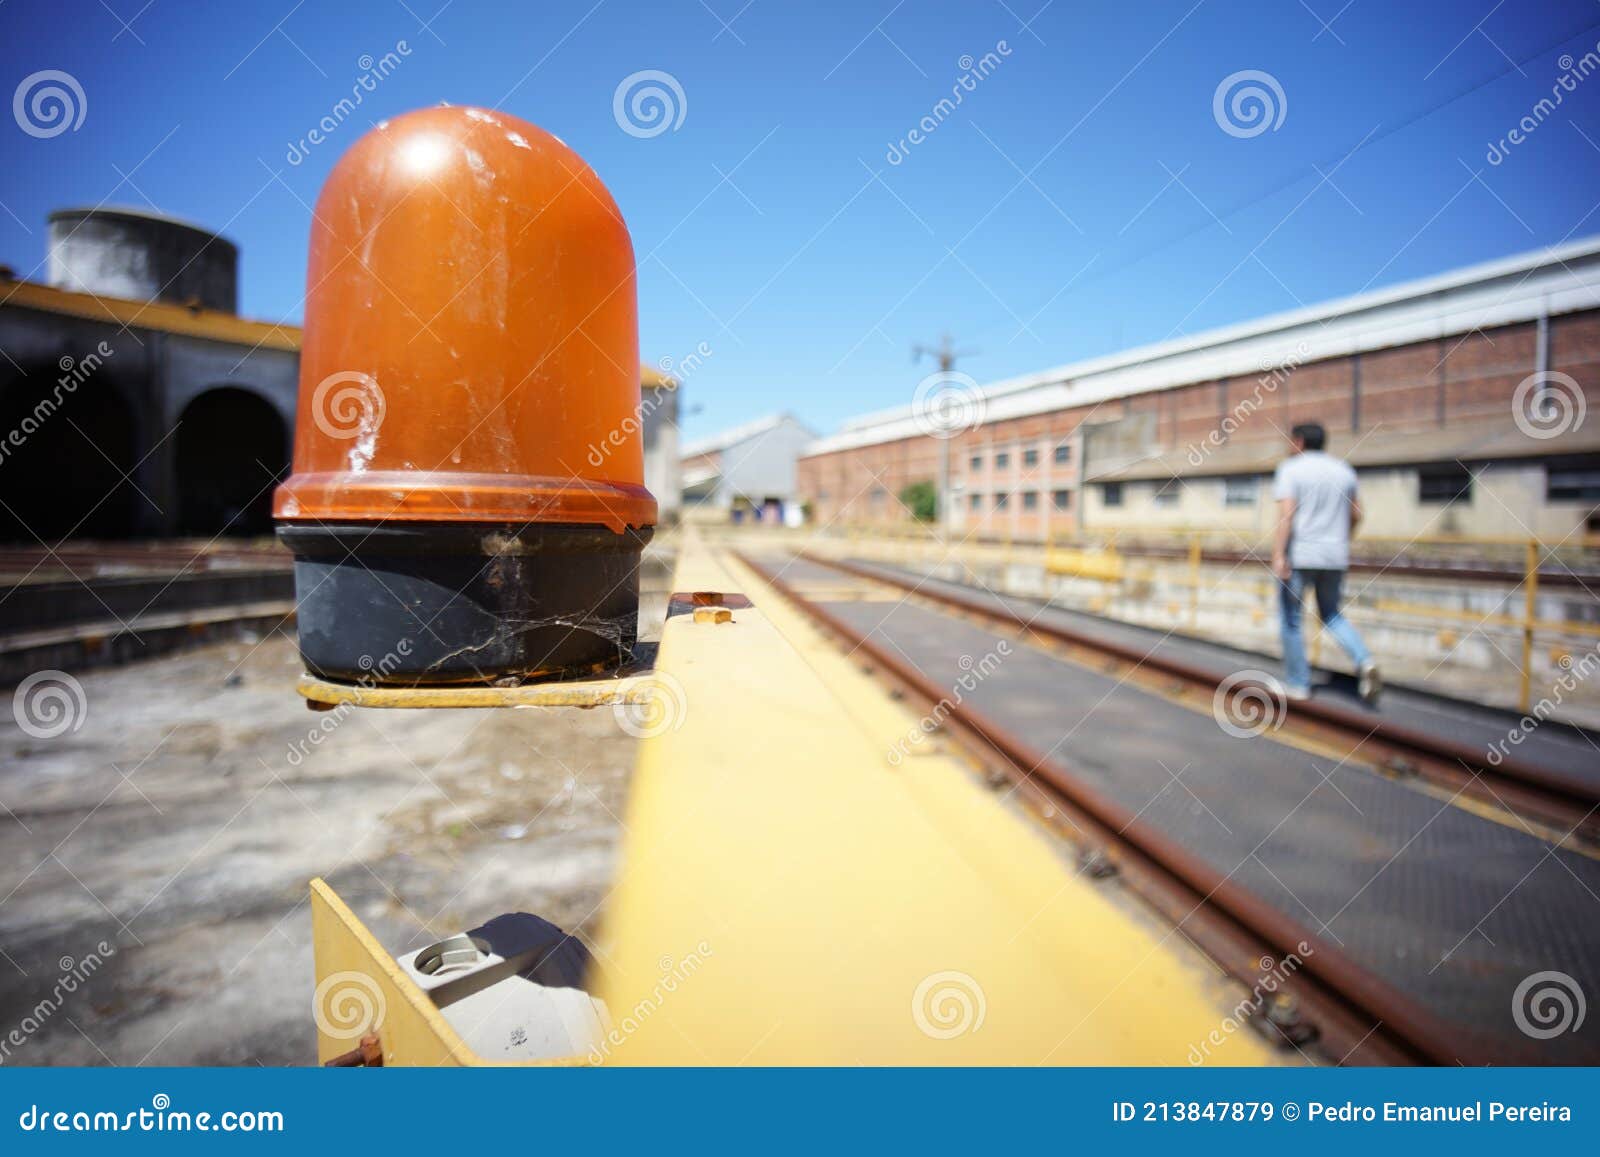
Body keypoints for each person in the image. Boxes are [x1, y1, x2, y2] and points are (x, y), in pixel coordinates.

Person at [1270, 422, 1381, 705]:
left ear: (1298, 442)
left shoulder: (1291, 469)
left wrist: (1279, 554)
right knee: (1331, 614)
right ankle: (1364, 660)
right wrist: (1342, 540)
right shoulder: (1344, 470)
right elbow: (1357, 514)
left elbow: (1287, 515)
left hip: (1301, 555)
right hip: (1335, 556)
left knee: (1291, 619)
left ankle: (1298, 683)